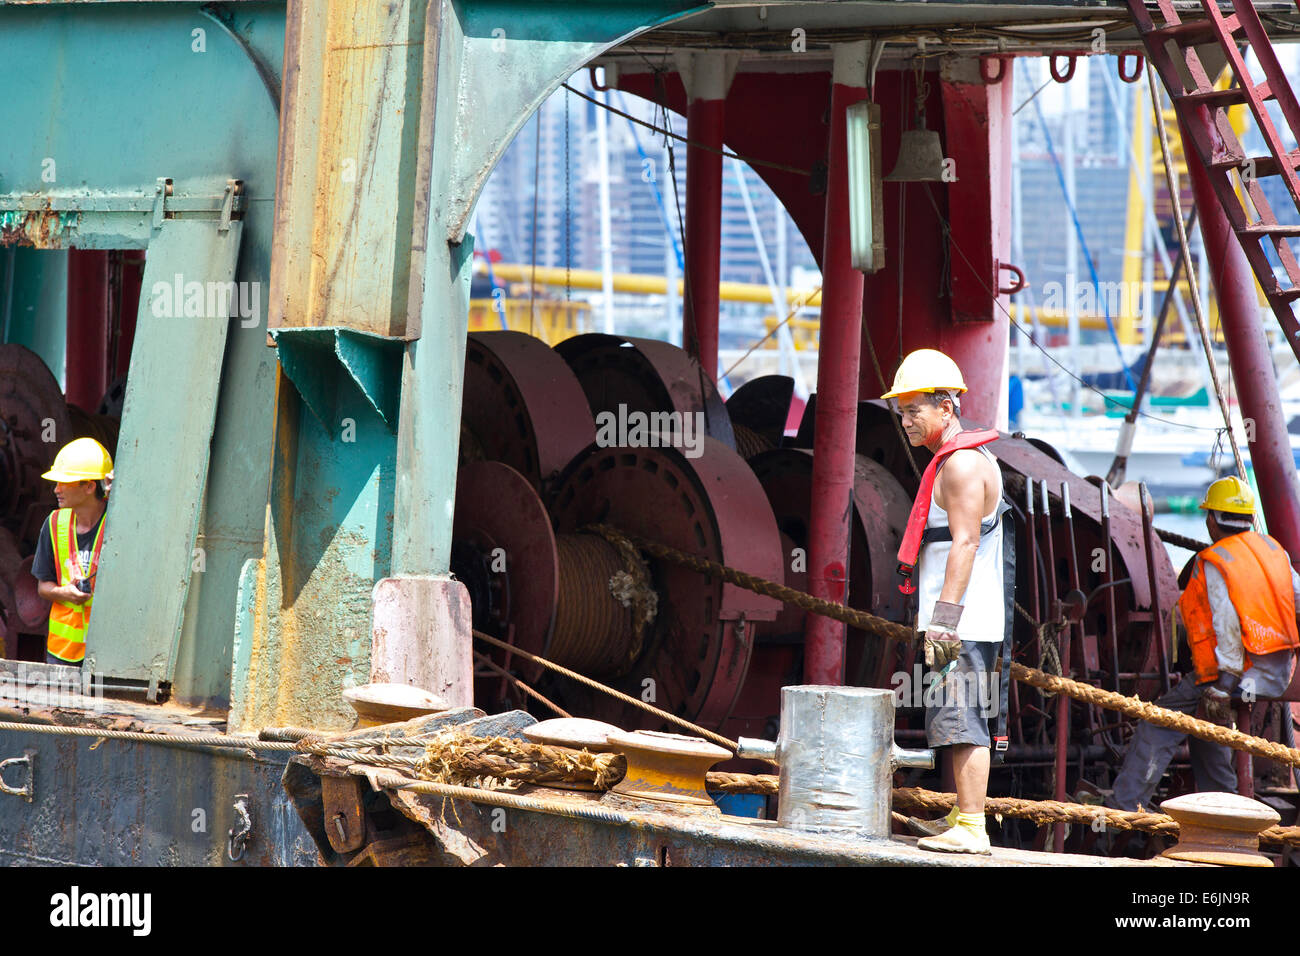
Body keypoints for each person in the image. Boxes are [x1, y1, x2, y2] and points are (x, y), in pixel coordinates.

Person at [883, 349, 1011, 854]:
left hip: (964, 621)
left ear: (947, 407)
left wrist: (944, 623)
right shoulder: (960, 460)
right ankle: (962, 812)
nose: (906, 421)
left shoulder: (959, 466)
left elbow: (965, 543)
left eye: (915, 410)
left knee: (962, 721)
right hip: (966, 618)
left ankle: (972, 826)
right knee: (955, 715)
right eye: (902, 411)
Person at [1109, 476, 1300, 811]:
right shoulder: (1274, 551)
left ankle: (1126, 804)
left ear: (1212, 519)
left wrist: (1223, 687)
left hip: (1234, 677)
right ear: (1250, 519)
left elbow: (1226, 627)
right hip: (1279, 672)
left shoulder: (1214, 561)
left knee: (1159, 722)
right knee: (1206, 731)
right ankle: (1223, 808)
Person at [30, 438, 113, 667]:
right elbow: (43, 587)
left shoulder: (120, 523)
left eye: (64, 483)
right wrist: (65, 592)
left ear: (89, 486)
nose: (56, 489)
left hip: (107, 654)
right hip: (61, 655)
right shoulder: (54, 523)